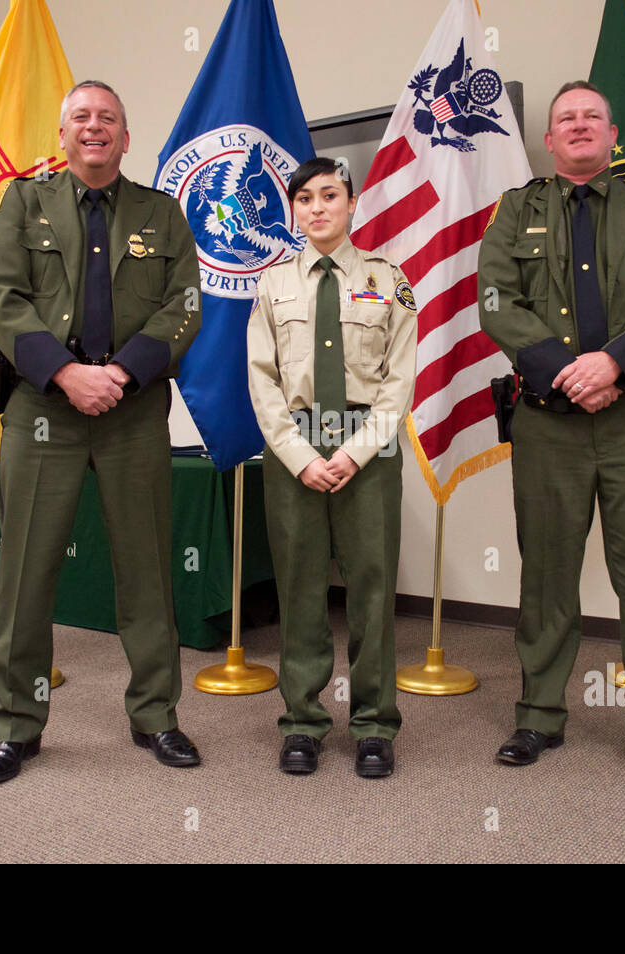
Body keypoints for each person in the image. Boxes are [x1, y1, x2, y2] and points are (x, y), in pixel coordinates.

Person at [477, 81, 625, 791]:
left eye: (590, 117)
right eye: (564, 120)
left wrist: (615, 362)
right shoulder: (518, 209)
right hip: (550, 422)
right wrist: (567, 372)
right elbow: (494, 300)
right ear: (549, 142)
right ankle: (539, 716)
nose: (578, 127)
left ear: (612, 134)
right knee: (546, 576)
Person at [0, 80, 202, 784]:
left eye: (108, 118)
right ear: (63, 133)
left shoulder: (162, 215)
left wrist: (123, 374)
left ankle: (156, 716)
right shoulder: (21, 203)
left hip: (132, 413)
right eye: (81, 117)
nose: (94, 127)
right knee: (26, 573)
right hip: (44, 412)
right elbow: (1, 301)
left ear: (126, 138)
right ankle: (16, 725)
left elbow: (184, 306)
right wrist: (68, 375)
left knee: (146, 570)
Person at [247, 157, 417, 778]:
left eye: (330, 195)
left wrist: (352, 450)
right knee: (299, 590)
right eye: (305, 199)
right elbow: (262, 382)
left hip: (365, 449)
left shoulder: (388, 280)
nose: (317, 207)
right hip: (293, 448)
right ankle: (302, 723)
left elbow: (399, 382)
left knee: (371, 592)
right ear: (294, 211)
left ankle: (374, 725)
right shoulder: (272, 287)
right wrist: (298, 455)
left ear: (351, 203)